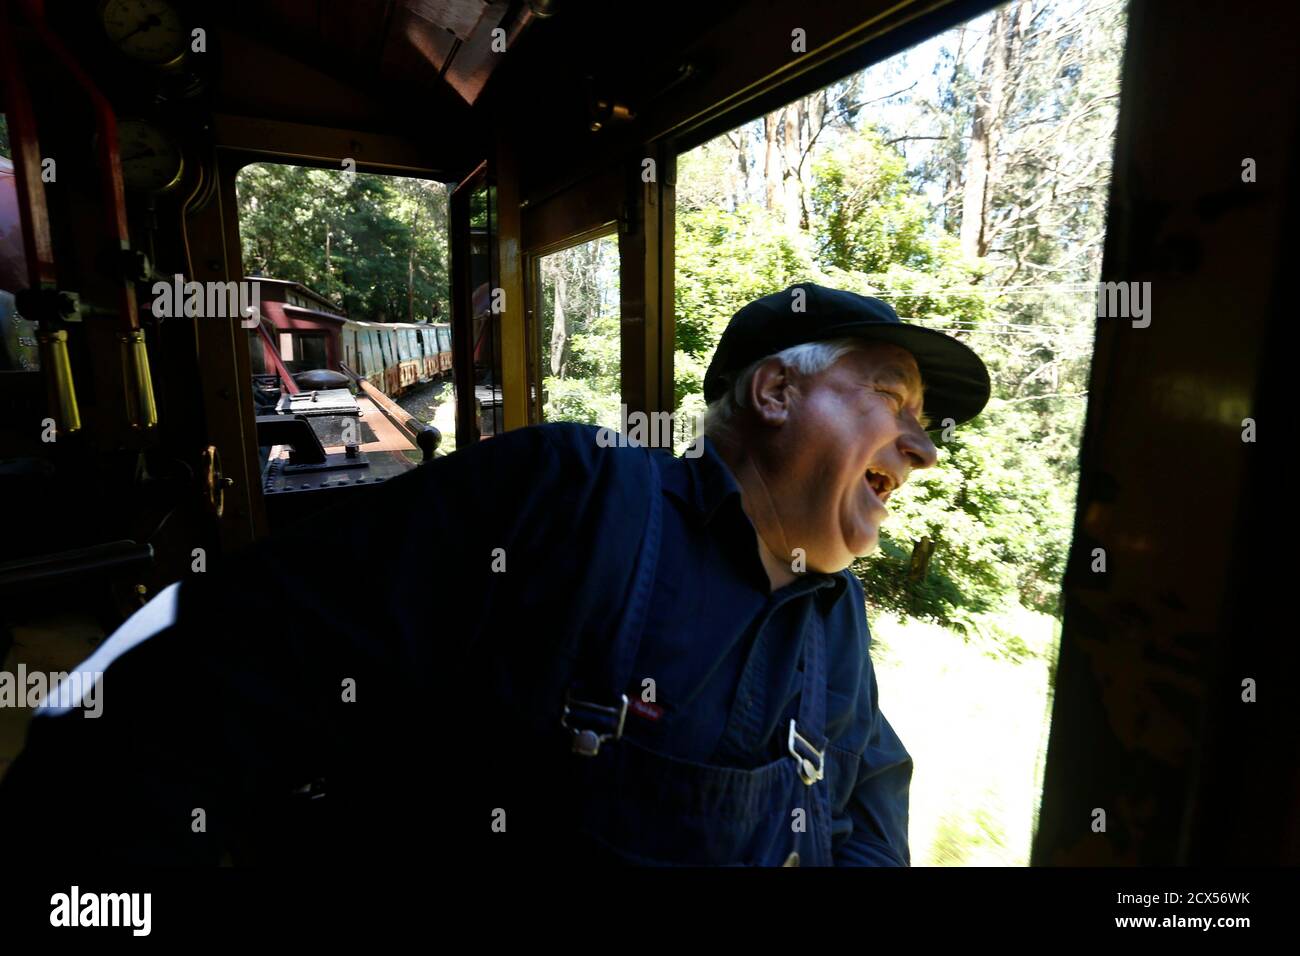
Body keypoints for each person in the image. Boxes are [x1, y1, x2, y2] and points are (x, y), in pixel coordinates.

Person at [0, 282, 989, 867]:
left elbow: (867, 793)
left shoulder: (834, 610)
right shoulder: (573, 500)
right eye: (891, 398)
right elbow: (210, 663)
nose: (921, 447)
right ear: (776, 390)